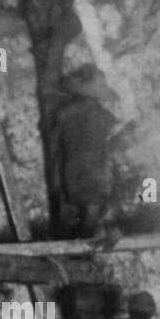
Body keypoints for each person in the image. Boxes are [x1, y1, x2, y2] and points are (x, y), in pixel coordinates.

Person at [48, 64, 119, 240]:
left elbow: (53, 143)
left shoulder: (63, 113)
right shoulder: (104, 116)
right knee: (92, 208)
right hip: (94, 167)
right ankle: (87, 244)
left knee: (74, 206)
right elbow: (108, 144)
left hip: (71, 167)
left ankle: (80, 240)